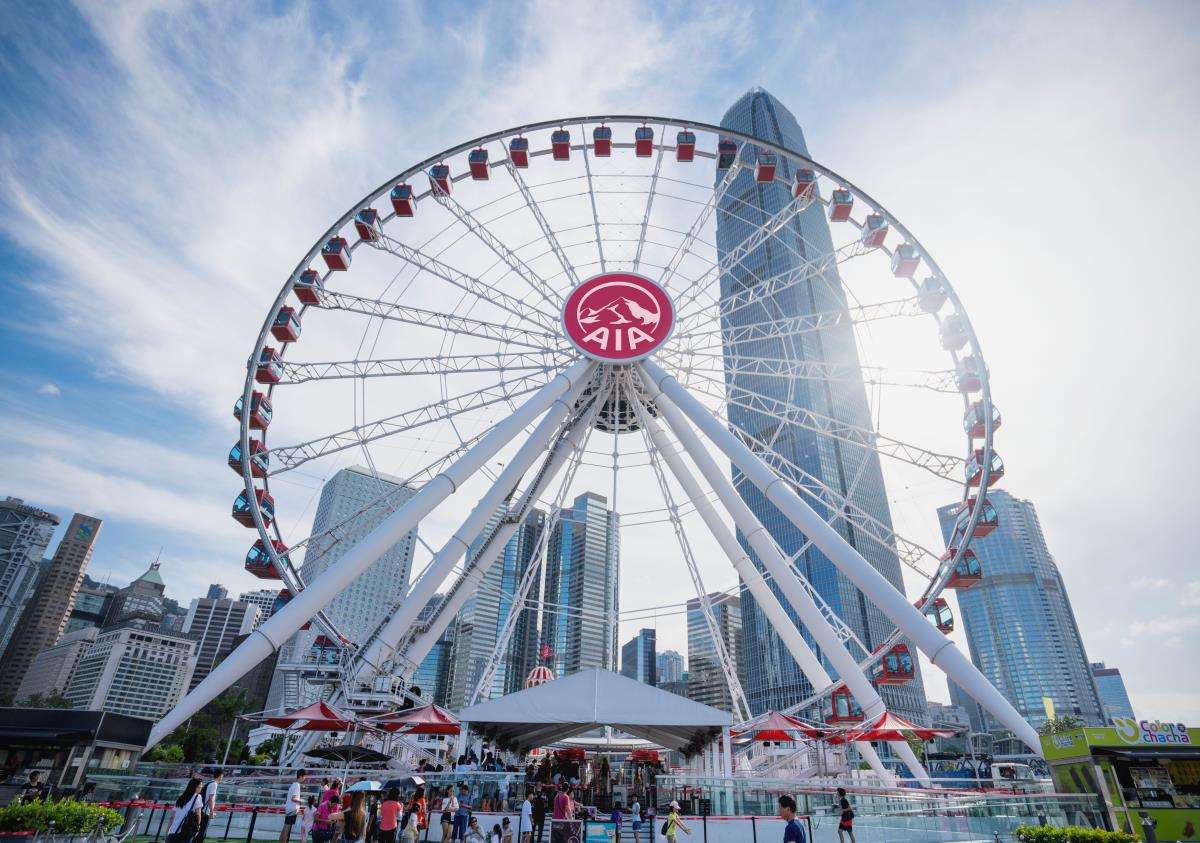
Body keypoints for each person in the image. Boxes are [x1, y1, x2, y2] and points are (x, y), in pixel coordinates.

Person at [168, 778, 204, 843]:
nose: (201, 789)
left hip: (173, 831)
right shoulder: (197, 797)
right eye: (199, 787)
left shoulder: (180, 798)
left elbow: (172, 817)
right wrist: (197, 828)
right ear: (194, 787)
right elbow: (198, 814)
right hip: (186, 831)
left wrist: (167, 832)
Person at [281, 769, 307, 843]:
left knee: (285, 828)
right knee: (287, 829)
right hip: (292, 810)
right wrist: (302, 800)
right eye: (304, 776)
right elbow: (294, 798)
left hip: (290, 809)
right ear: (301, 776)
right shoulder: (296, 785)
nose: (305, 778)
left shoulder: (294, 784)